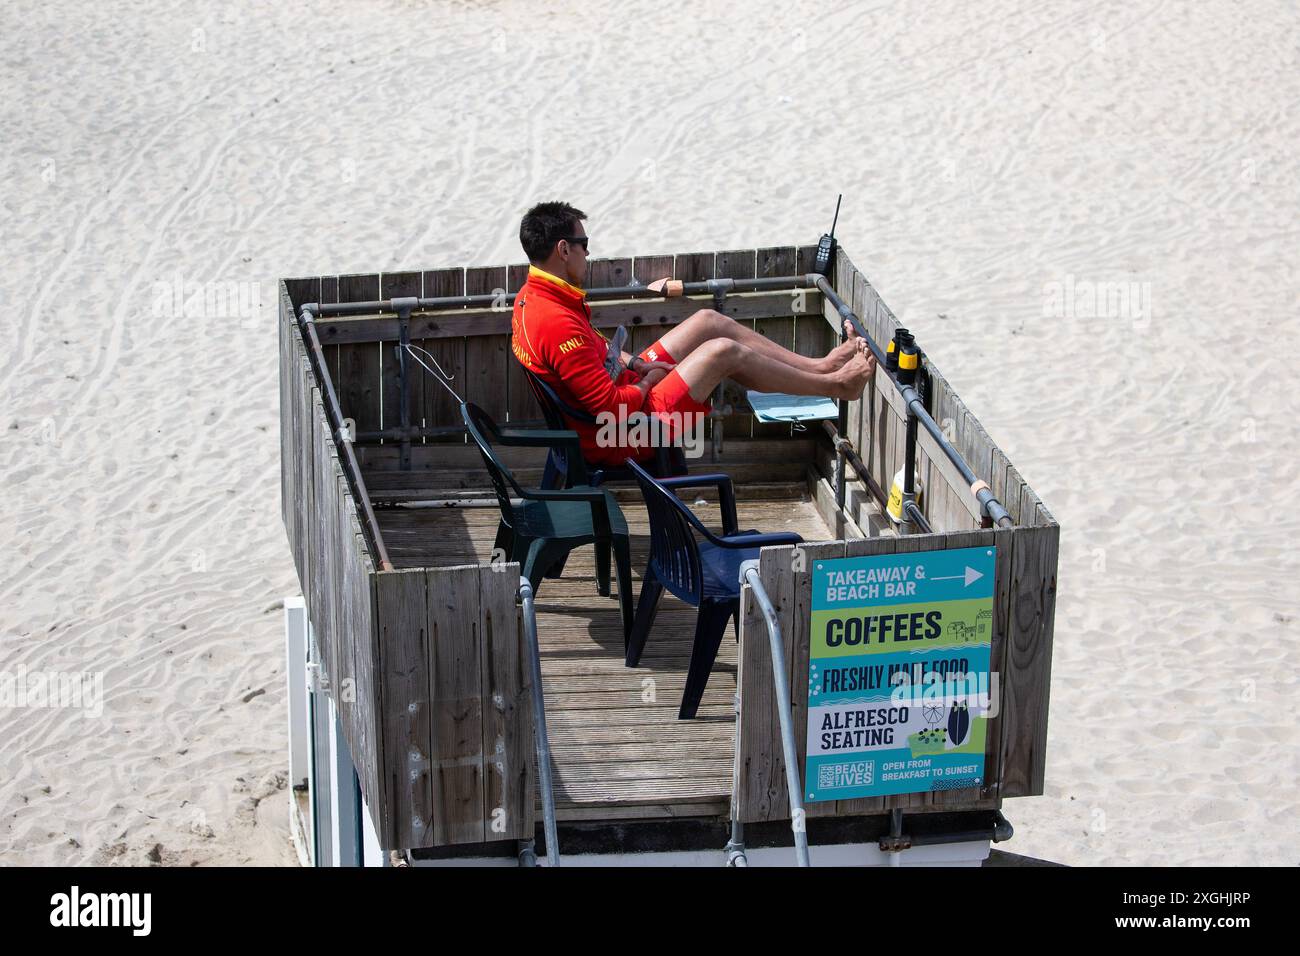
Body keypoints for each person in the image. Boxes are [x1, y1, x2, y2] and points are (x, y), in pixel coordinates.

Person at [510, 201, 876, 467]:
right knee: (722, 352)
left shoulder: (535, 297)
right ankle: (837, 386)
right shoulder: (556, 323)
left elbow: (598, 351)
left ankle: (820, 366)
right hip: (616, 433)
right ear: (563, 250)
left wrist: (636, 363)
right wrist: (647, 382)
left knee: (707, 321)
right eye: (584, 245)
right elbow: (609, 408)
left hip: (617, 402)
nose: (588, 255)